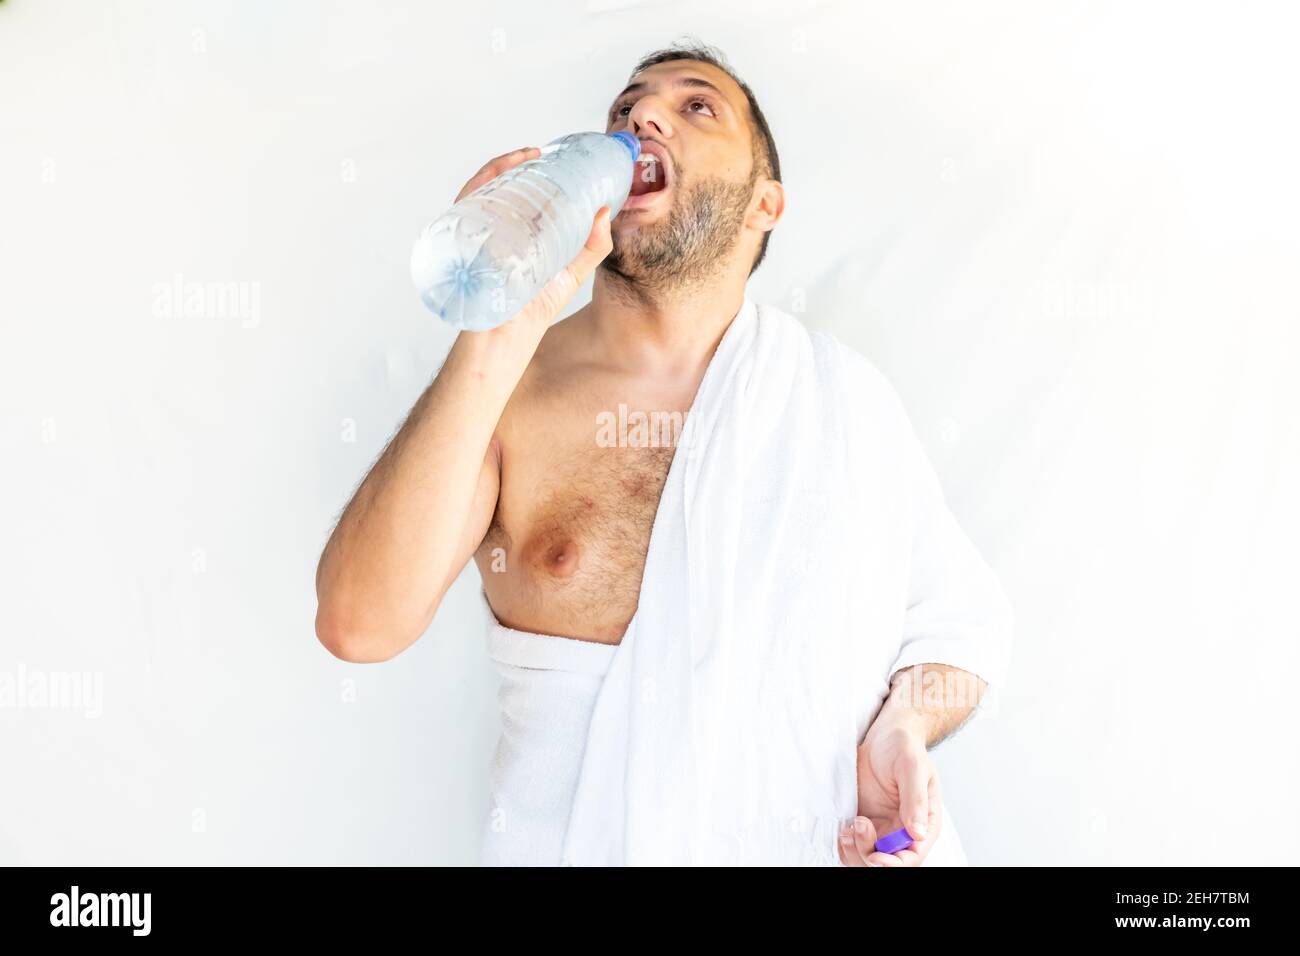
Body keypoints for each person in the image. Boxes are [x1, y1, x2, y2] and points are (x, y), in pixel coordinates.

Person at [314, 41, 1013, 867]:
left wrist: (904, 724)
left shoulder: (839, 397)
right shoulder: (507, 391)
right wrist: (491, 334)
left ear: (764, 205)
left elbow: (959, 629)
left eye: (696, 107)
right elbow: (358, 624)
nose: (641, 116)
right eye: (626, 107)